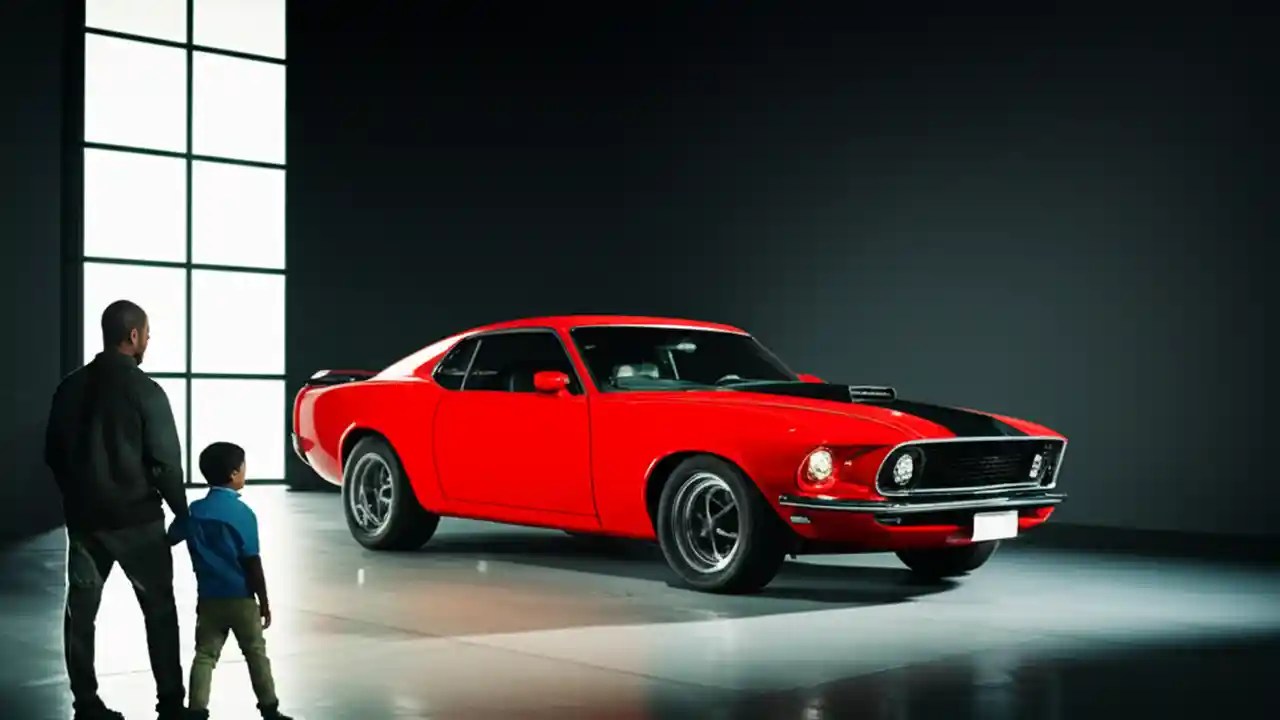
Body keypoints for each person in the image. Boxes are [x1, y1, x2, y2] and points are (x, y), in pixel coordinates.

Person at [44, 300, 190, 720]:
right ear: (132, 337)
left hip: (85, 522)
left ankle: (86, 704)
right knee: (159, 610)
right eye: (146, 333)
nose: (148, 340)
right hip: (138, 521)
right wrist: (182, 511)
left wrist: (78, 496)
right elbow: (164, 463)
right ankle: (170, 705)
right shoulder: (146, 391)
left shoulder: (69, 388)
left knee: (80, 613)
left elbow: (53, 453)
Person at [167, 442, 292, 720]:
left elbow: (171, 536)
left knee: (205, 656)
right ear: (235, 473)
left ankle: (196, 711)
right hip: (241, 598)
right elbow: (252, 561)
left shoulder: (194, 511)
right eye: (244, 467)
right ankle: (270, 710)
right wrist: (264, 601)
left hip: (209, 600)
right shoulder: (243, 514)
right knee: (255, 654)